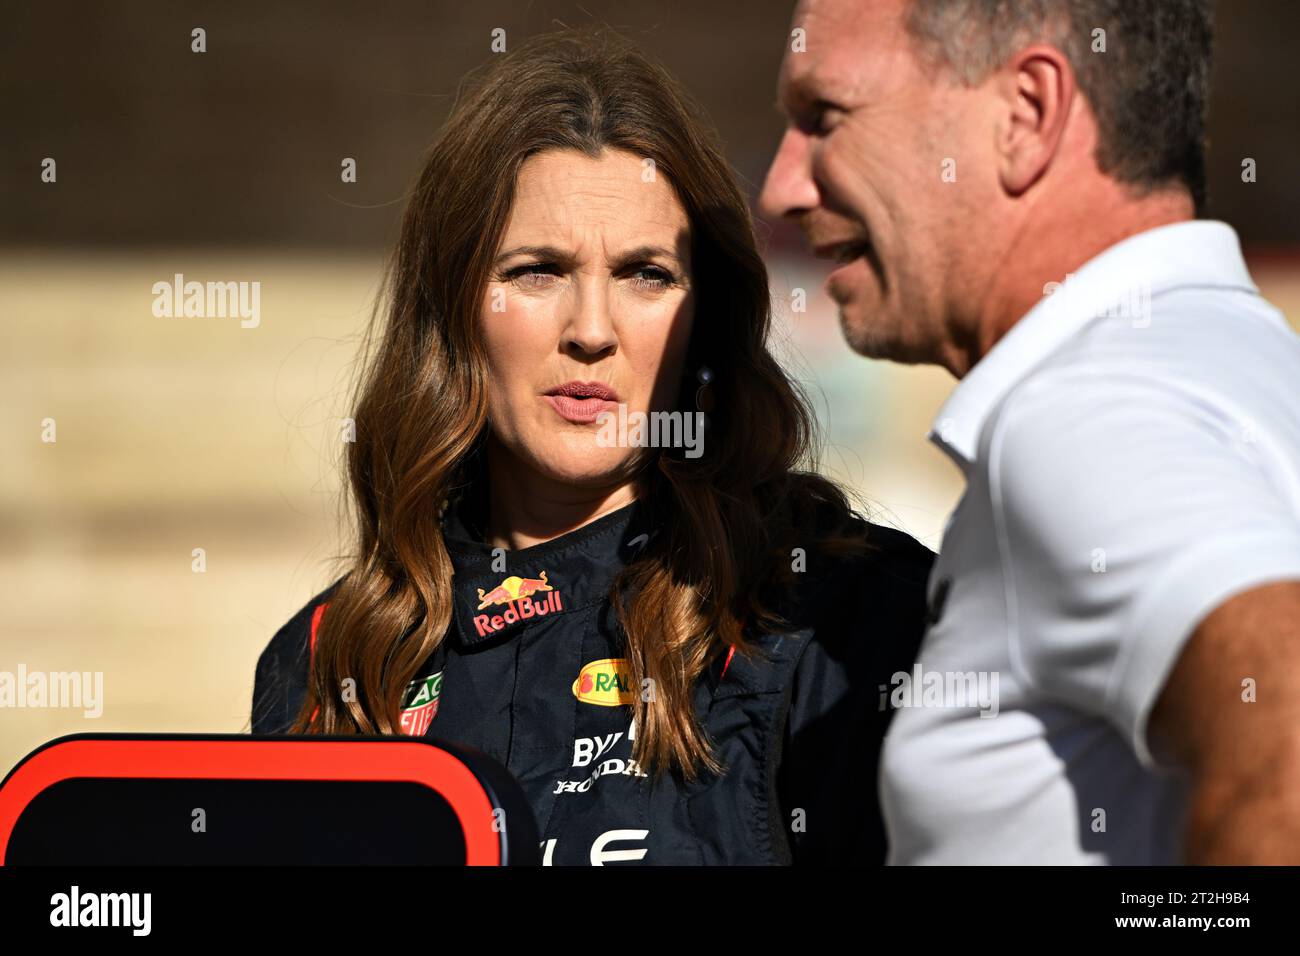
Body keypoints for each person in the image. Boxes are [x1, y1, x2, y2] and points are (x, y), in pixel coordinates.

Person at [252, 29, 934, 866]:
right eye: (537, 270)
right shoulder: (329, 653)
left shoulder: (840, 619)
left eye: (647, 274)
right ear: (454, 306)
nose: (592, 332)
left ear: (704, 321)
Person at [760, 0, 1300, 864]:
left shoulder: (1089, 411)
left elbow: (1283, 741)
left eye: (824, 117)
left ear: (1026, 116)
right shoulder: (1241, 361)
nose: (782, 186)